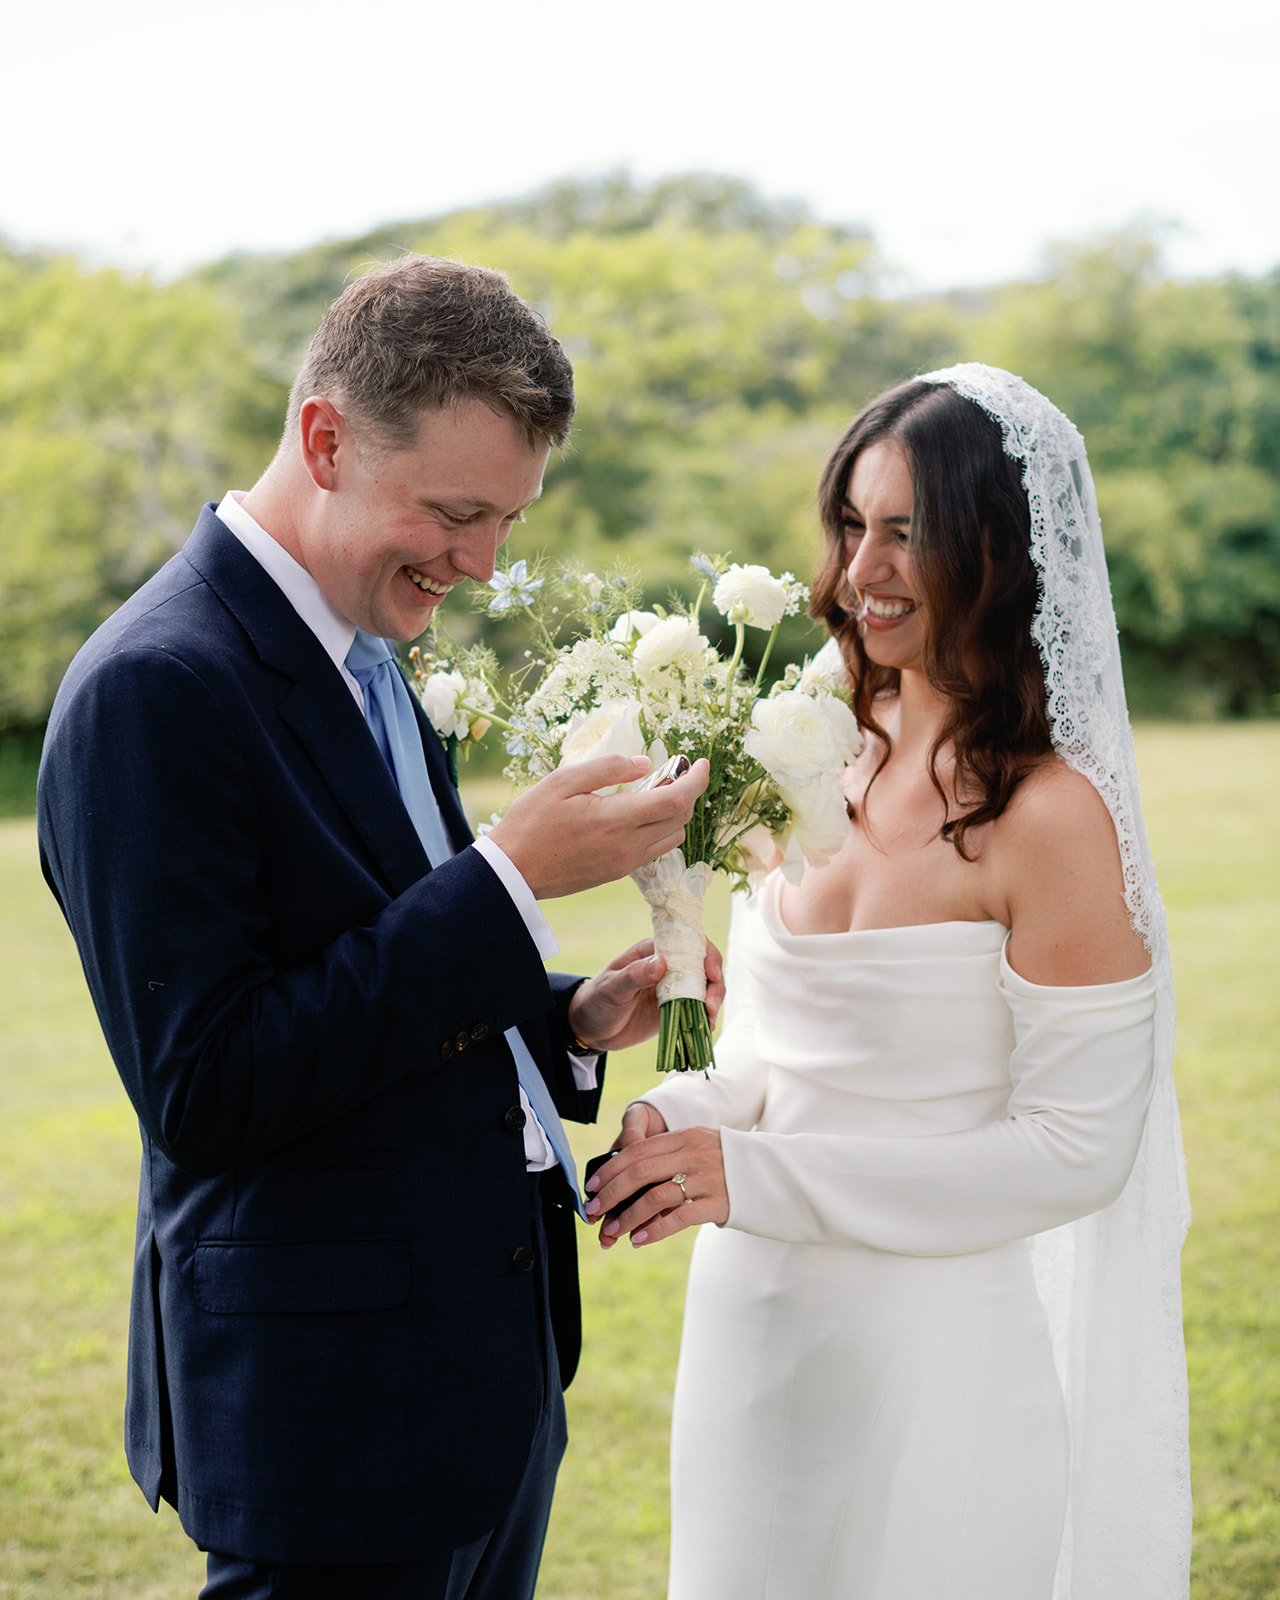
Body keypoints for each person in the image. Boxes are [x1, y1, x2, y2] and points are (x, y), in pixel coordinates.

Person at [37, 255, 722, 1600]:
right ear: (326, 439)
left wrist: (562, 1012)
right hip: (330, 1408)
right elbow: (210, 1086)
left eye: (507, 523)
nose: (479, 563)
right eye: (458, 512)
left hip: (474, 1374)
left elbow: (373, 953)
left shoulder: (369, 653)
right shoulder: (156, 688)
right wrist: (515, 879)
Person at [585, 365, 1191, 1599]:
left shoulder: (1051, 816)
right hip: (753, 1334)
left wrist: (753, 1173)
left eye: (907, 532)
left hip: (936, 1364)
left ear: (998, 549)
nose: (862, 568)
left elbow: (1076, 1147)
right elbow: (772, 1057)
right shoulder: (812, 748)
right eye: (851, 526)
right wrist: (683, 1118)